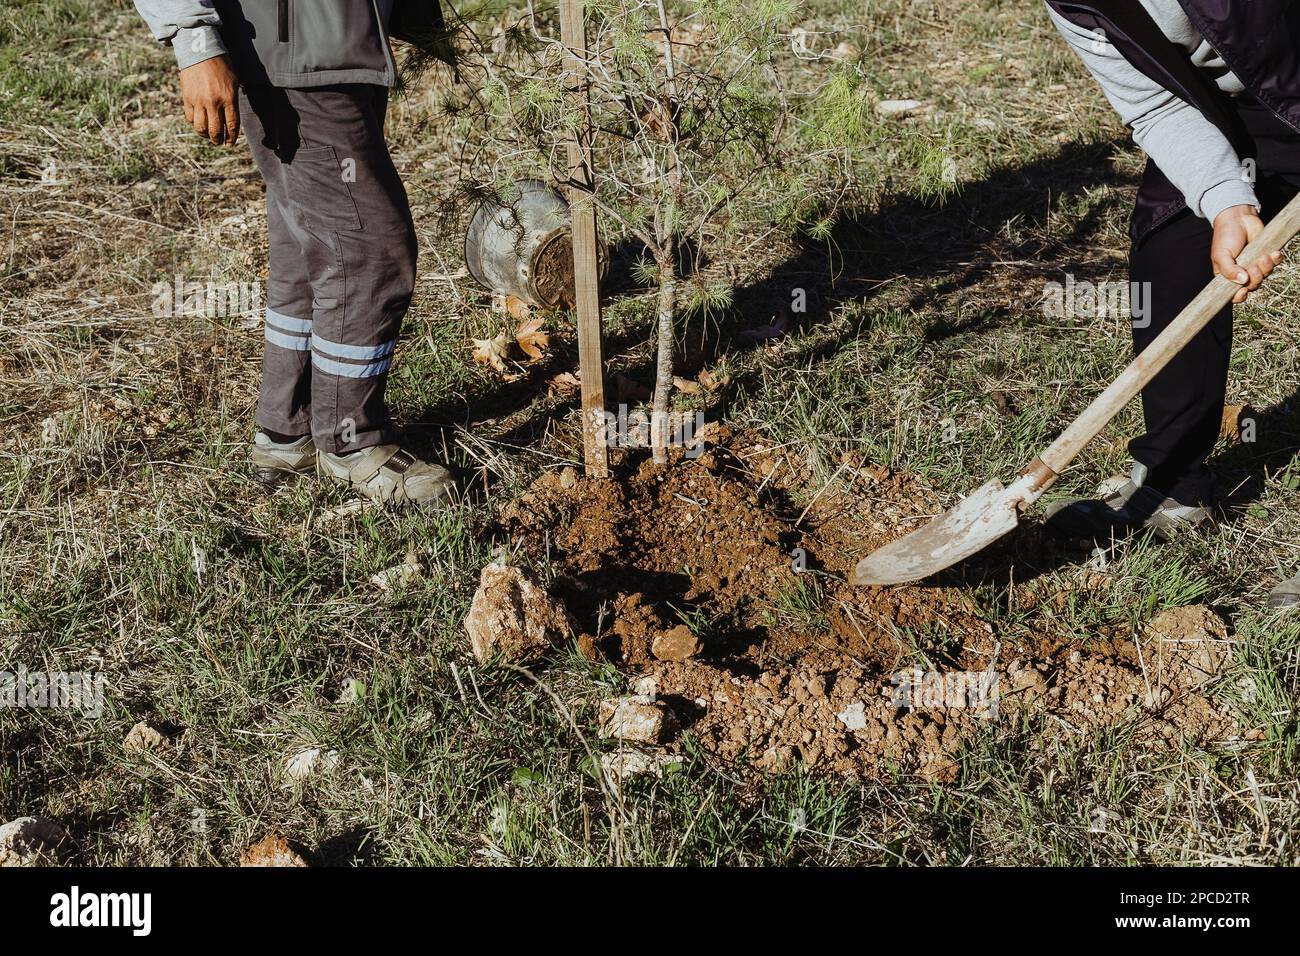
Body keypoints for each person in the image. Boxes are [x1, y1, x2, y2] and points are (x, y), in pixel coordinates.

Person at [131, 0, 455, 506]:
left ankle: (288, 430)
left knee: (309, 248)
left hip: (330, 43)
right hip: (291, 53)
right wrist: (192, 42)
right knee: (368, 252)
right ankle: (351, 442)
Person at [1042, 0, 1300, 607]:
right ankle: (1172, 485)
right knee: (1172, 245)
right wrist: (1226, 200)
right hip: (1233, 109)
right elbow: (1156, 103)